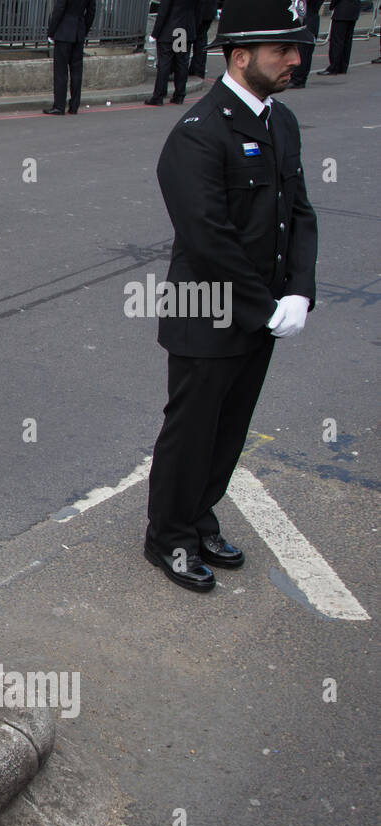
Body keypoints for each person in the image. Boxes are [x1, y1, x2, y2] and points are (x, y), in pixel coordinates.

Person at [144, 0, 317, 593]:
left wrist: (300, 292)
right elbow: (208, 238)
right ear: (240, 57)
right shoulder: (198, 133)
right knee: (192, 429)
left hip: (261, 312)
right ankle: (168, 537)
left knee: (229, 427)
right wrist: (265, 306)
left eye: (297, 49)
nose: (296, 59)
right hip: (206, 308)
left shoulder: (280, 121)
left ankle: (199, 516)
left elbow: (298, 214)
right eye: (282, 51)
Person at [44, 0, 96, 115]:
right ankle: (74, 106)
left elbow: (59, 9)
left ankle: (59, 106)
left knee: (61, 72)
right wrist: (83, 30)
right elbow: (91, 12)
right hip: (78, 33)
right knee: (76, 72)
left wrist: (51, 32)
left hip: (63, 33)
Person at [147, 0, 198, 104]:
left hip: (169, 31)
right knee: (181, 63)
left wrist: (155, 34)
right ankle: (179, 95)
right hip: (183, 30)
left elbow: (163, 12)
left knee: (164, 64)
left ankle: (158, 96)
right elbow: (198, 10)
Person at [318, 0, 359, 75]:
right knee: (347, 41)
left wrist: (332, 5)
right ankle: (343, 66)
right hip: (354, 10)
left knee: (337, 41)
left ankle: (334, 67)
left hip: (342, 10)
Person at [288, 0, 319, 86]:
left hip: (306, 21)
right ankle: (300, 78)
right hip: (310, 20)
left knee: (303, 52)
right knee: (305, 52)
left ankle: (297, 79)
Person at [188, 0, 218, 78]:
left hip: (193, 11)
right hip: (208, 10)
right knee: (201, 40)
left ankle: (179, 69)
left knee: (184, 39)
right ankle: (198, 70)